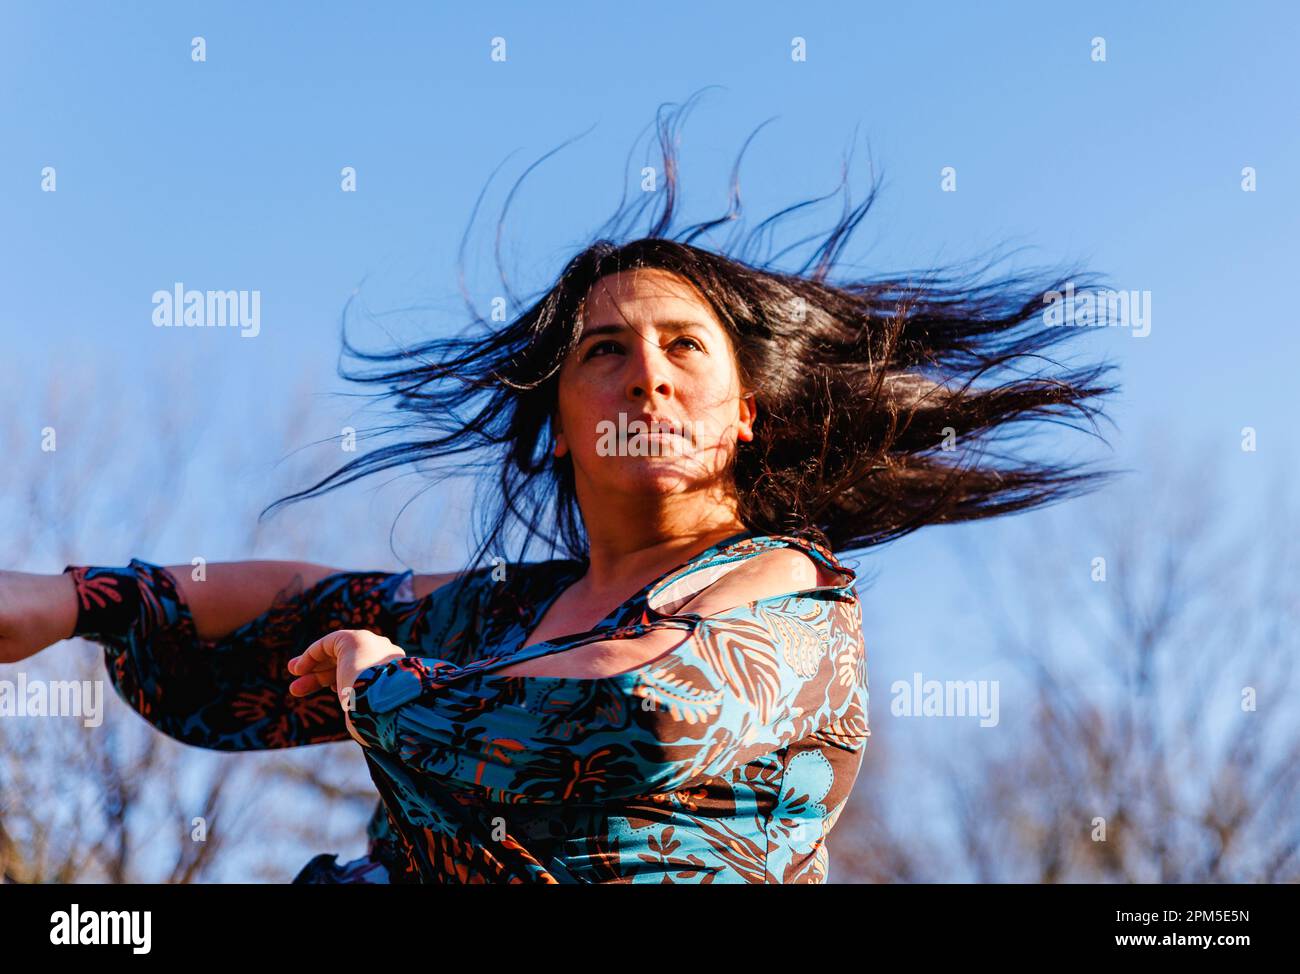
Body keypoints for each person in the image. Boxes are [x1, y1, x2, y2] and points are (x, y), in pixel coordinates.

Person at [0, 94, 1118, 882]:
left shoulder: (787, 586)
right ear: (559, 426)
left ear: (746, 412)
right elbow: (306, 589)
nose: (647, 371)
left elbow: (636, 712)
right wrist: (76, 599)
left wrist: (380, 682)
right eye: (604, 351)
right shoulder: (498, 615)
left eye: (687, 348)